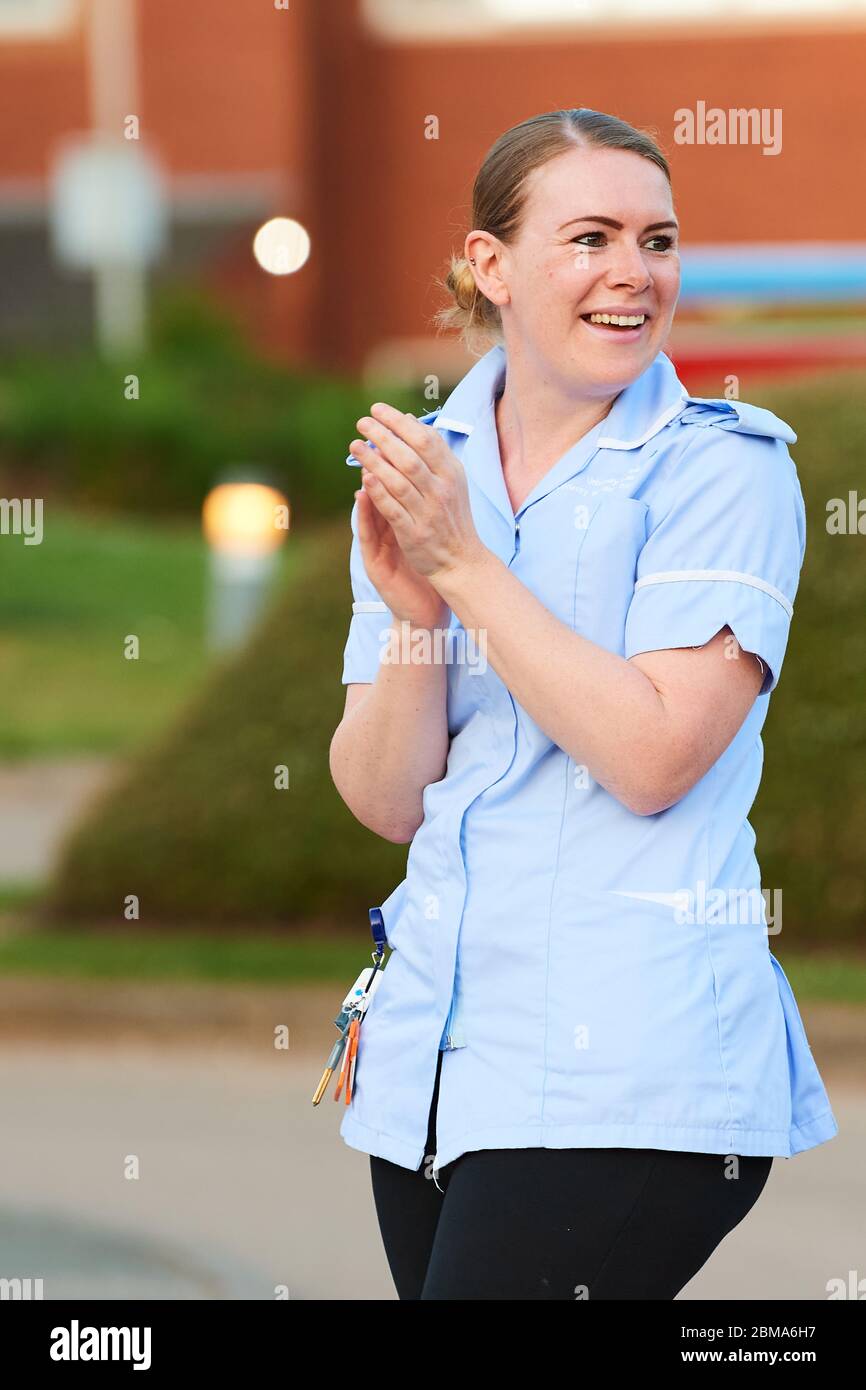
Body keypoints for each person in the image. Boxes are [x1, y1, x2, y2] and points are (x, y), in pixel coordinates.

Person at [329, 108, 838, 1301]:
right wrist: (415, 612)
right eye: (591, 236)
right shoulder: (434, 464)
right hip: (437, 1073)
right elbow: (386, 798)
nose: (633, 273)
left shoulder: (724, 467)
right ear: (490, 264)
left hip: (633, 1083)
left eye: (655, 240)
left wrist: (462, 567)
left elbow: (654, 752)